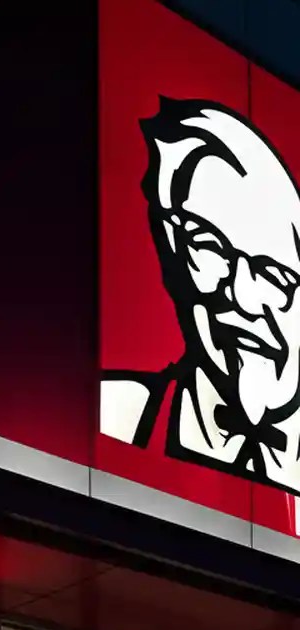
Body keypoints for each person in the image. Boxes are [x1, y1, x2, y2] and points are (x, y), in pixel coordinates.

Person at [100, 97, 300, 492]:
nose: (242, 296)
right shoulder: (118, 414)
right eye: (210, 248)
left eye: (273, 275)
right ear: (172, 256)